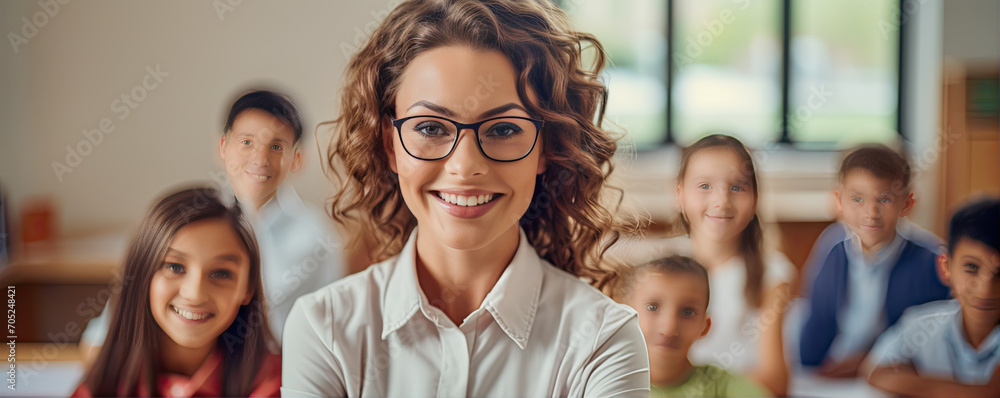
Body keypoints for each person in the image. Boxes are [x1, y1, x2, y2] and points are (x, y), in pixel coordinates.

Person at [280, 0, 650, 396]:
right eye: (430, 127)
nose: (464, 166)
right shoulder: (324, 328)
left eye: (504, 129)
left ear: (547, 147)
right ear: (391, 145)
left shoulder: (604, 342)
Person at [80, 90, 347, 363]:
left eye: (276, 146)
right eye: (246, 142)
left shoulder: (318, 238)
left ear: (297, 160)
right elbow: (102, 339)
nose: (260, 158)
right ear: (223, 147)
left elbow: (330, 334)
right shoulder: (183, 222)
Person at [610, 134, 794, 395]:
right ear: (680, 195)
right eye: (705, 186)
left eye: (737, 187)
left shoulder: (772, 273)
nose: (721, 201)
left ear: (754, 199)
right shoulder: (656, 261)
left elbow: (775, 380)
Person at [73, 188, 280, 397]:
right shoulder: (103, 383)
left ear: (247, 288)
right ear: (141, 275)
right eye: (174, 267)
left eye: (221, 273)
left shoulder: (278, 383)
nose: (195, 294)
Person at [799, 144, 950, 377]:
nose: (871, 212)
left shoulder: (931, 260)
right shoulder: (832, 246)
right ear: (840, 200)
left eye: (885, 200)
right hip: (830, 372)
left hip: (891, 376)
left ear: (907, 204)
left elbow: (937, 342)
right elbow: (816, 320)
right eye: (857, 199)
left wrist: (866, 360)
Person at [862, 197, 1000, 397]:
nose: (985, 289)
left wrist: (916, 380)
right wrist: (982, 391)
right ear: (946, 268)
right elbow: (875, 373)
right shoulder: (923, 325)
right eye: (971, 267)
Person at [614, 255, 771, 397]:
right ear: (626, 315)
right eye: (653, 308)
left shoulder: (722, 386)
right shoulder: (608, 383)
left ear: (705, 327)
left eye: (687, 312)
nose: (668, 328)